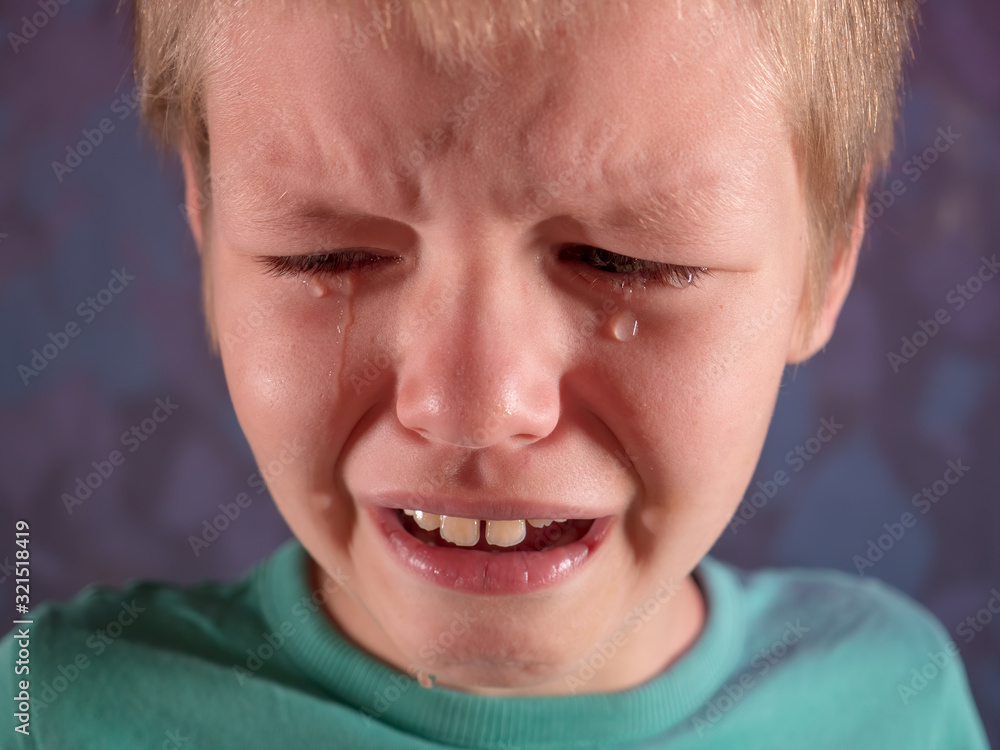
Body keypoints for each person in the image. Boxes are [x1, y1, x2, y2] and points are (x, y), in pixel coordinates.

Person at [1, 0, 989, 747]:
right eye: (326, 257)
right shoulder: (48, 712)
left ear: (826, 263)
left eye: (622, 262)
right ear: (208, 238)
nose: (471, 409)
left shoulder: (894, 704)